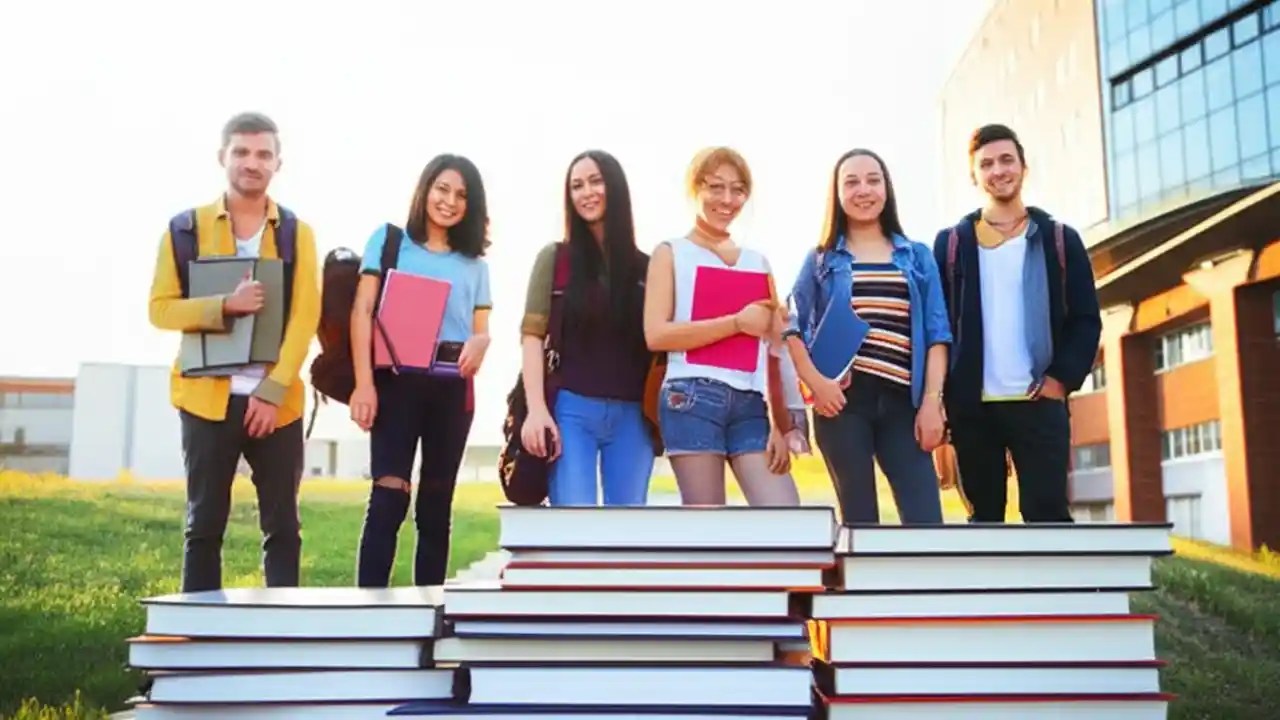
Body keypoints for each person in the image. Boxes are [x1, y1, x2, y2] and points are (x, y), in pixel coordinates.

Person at [147, 111, 321, 593]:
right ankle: (200, 639)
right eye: (242, 152)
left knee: (283, 527)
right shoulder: (185, 229)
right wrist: (224, 305)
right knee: (203, 525)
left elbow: (305, 318)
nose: (252, 162)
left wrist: (272, 390)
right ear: (222, 157)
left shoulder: (295, 233)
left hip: (277, 403)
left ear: (278, 164)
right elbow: (160, 310)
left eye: (263, 154)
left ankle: (281, 632)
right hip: (205, 399)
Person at [932, 123, 1101, 523]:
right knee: (984, 519)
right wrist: (939, 401)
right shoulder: (952, 245)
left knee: (1048, 516)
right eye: (986, 164)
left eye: (1007, 160)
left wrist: (1060, 379)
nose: (998, 170)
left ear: (1024, 167)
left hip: (1039, 402)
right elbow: (936, 328)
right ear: (974, 175)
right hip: (973, 407)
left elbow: (1085, 319)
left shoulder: (1060, 239)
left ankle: (1055, 588)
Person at [784, 148, 950, 525]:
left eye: (873, 180)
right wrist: (816, 384)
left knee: (926, 521)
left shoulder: (917, 256)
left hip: (903, 404)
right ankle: (861, 587)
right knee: (860, 522)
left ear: (886, 189)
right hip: (843, 404)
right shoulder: (822, 259)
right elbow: (789, 323)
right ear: (838, 194)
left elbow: (938, 335)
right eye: (852, 182)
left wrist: (931, 402)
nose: (864, 190)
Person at [348, 153, 492, 587]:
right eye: (442, 189)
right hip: (395, 385)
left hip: (451, 391)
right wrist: (363, 386)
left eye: (461, 195)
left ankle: (428, 615)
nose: (449, 201)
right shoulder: (389, 241)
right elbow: (362, 311)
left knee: (435, 509)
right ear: (425, 188)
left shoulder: (476, 265)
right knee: (389, 499)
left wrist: (483, 343)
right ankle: (367, 617)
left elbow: (480, 330)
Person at [643, 146, 797, 506]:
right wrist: (736, 323)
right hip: (690, 397)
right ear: (694, 190)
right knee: (708, 530)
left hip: (750, 404)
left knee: (787, 518)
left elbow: (774, 352)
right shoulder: (671, 252)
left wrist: (781, 424)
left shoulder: (758, 262)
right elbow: (656, 334)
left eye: (738, 189)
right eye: (715, 187)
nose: (727, 199)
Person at [519, 150, 658, 506]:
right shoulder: (555, 259)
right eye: (576, 186)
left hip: (633, 417)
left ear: (615, 187)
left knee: (626, 535)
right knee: (574, 531)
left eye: (595, 181)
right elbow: (532, 338)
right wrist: (536, 411)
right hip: (571, 411)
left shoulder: (649, 267)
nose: (586, 193)